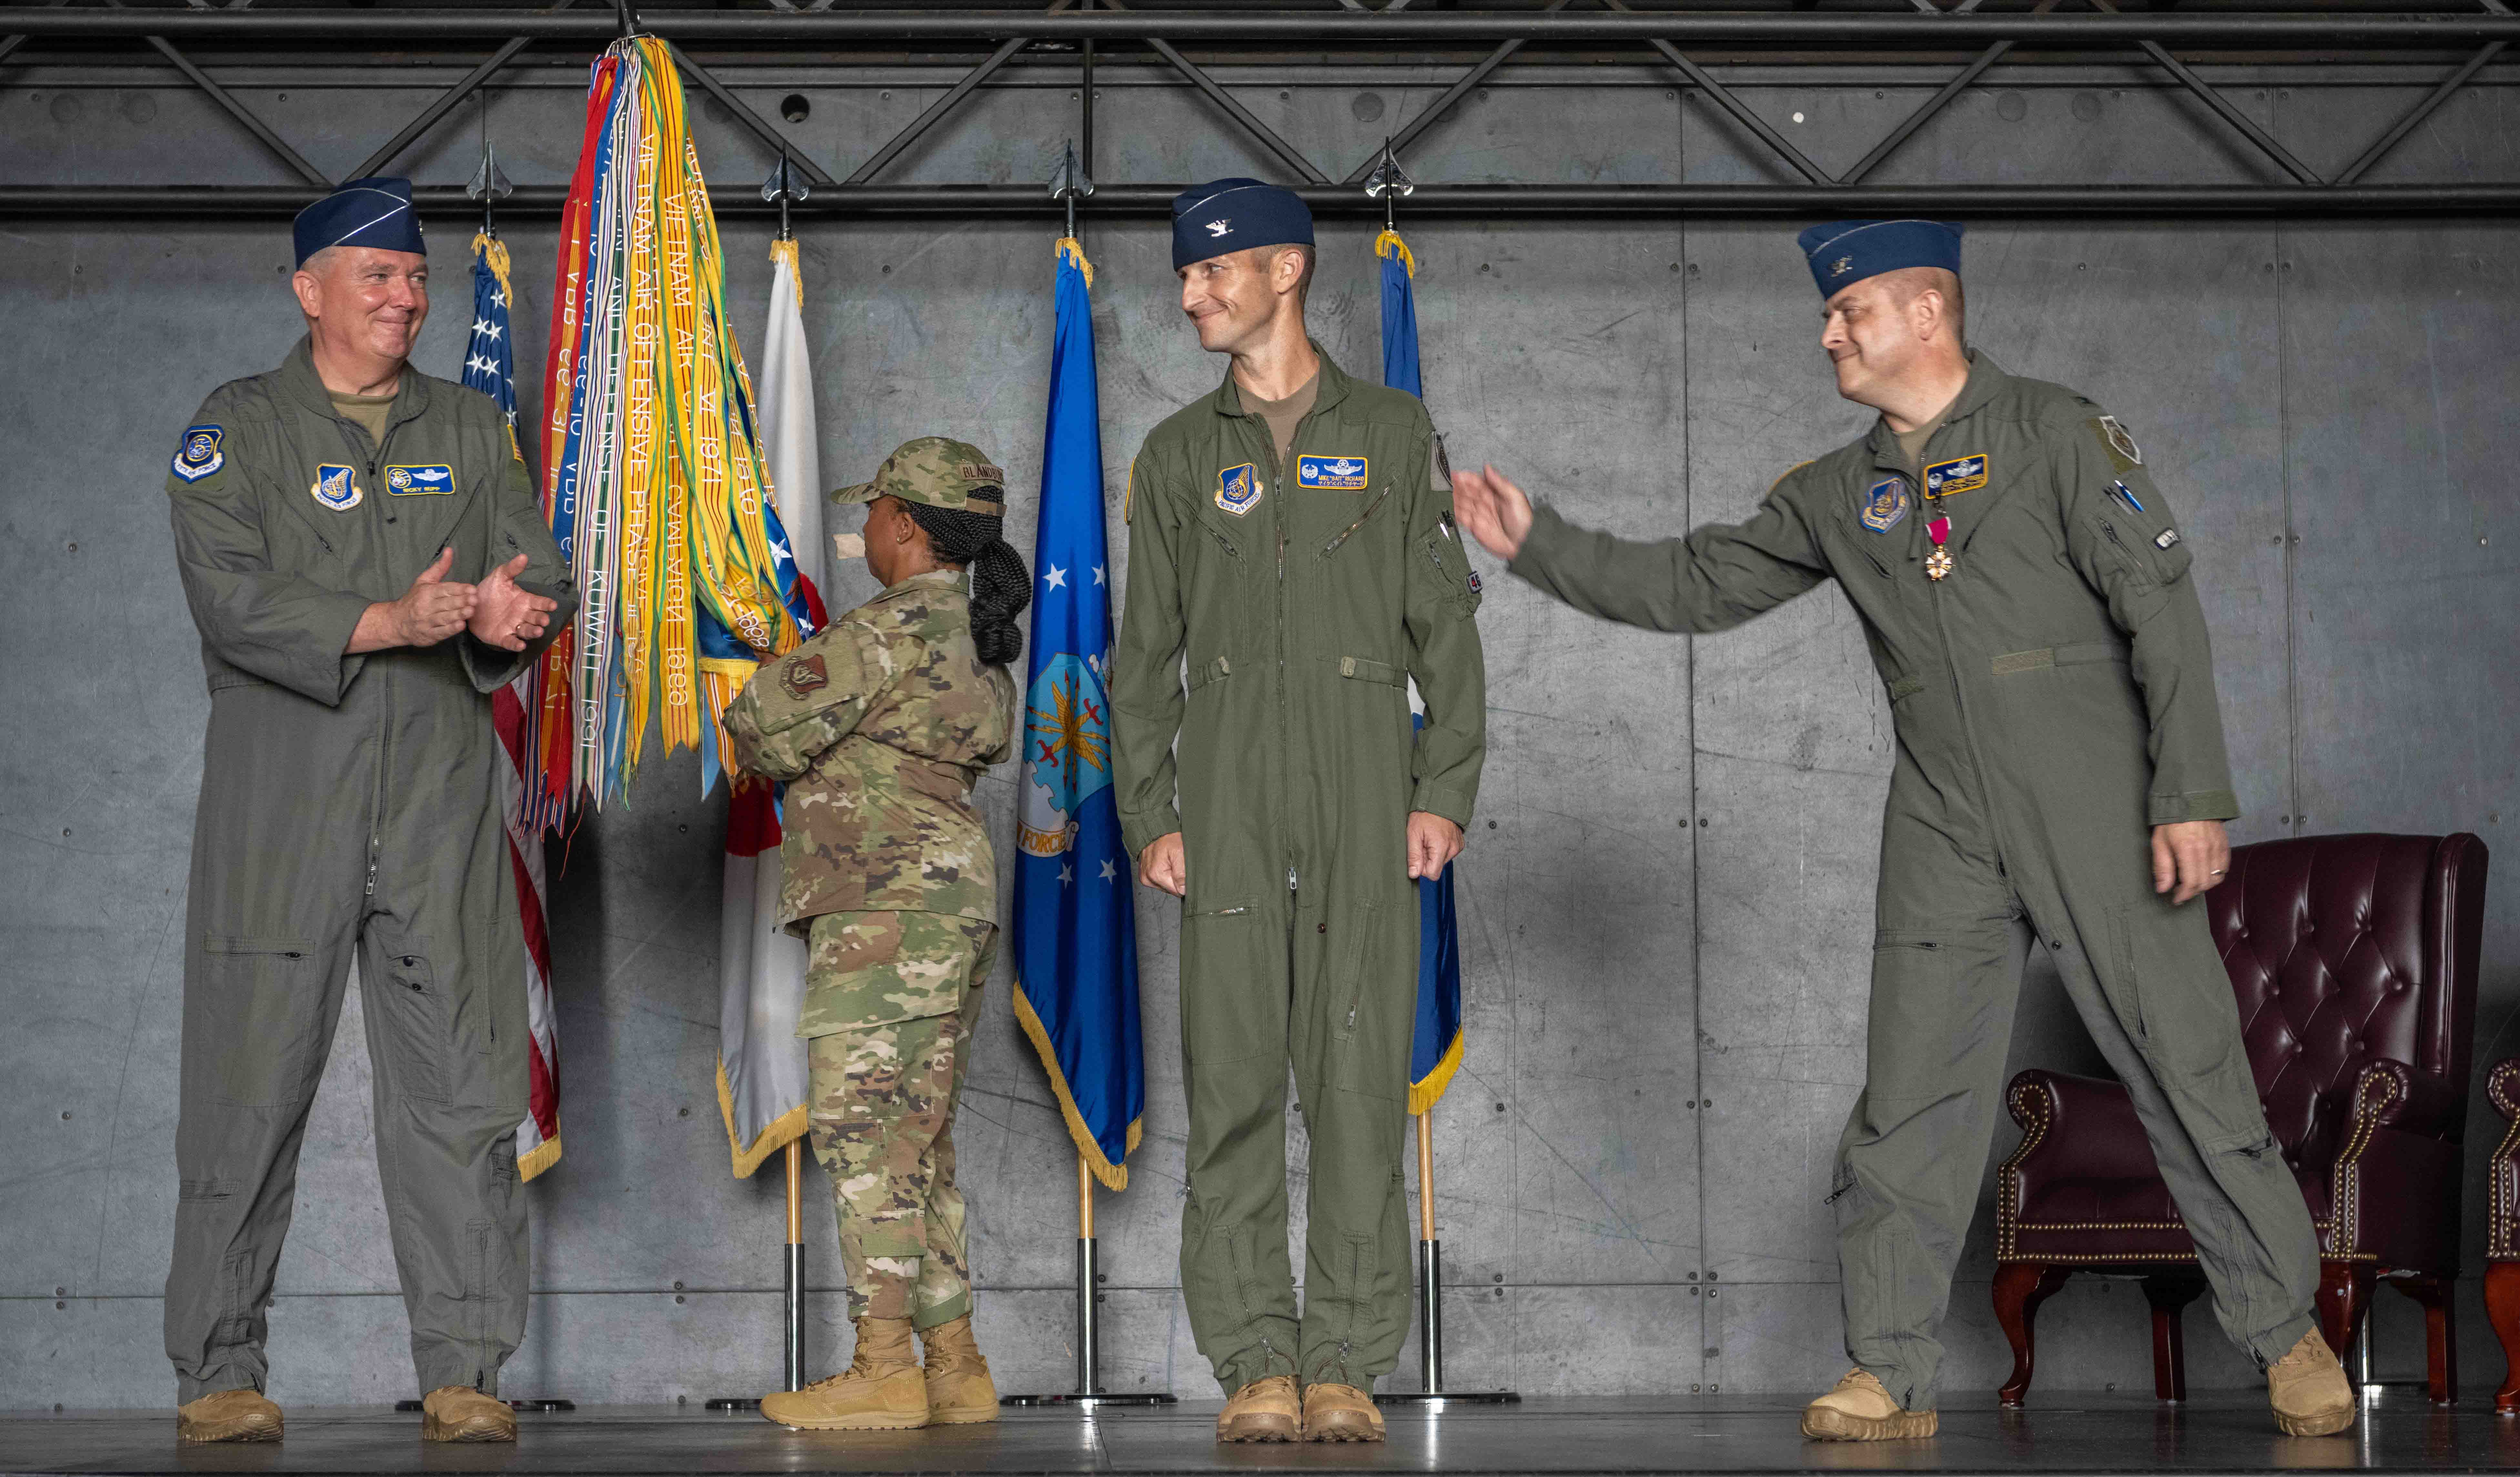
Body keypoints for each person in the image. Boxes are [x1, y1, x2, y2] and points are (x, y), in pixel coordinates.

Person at [1450, 219, 2353, 1440]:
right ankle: (1890, 1371)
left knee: (2184, 1062)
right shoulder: (1838, 494)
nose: (1828, 334)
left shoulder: (2056, 433)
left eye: (1850, 313)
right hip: (1941, 818)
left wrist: (2189, 790)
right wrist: (1539, 545)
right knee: (1911, 1096)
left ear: (1928, 313)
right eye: (1829, 316)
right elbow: (1700, 582)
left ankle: (2289, 1337)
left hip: (2098, 800)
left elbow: (2162, 601)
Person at [161, 177, 571, 1444]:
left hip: (438, 793)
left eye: (414, 275)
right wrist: (383, 621)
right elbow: (229, 599)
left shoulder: (467, 423)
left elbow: (533, 561)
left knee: (459, 1083)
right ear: (309, 290)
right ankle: (220, 1371)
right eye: (377, 275)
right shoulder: (239, 430)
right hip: (282, 795)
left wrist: (512, 611)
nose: (405, 296)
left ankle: (466, 1368)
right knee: (249, 1080)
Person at [1111, 179, 1488, 1444]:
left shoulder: (1389, 431)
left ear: (1282, 270)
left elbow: (1446, 623)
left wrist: (1441, 792)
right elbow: (1139, 652)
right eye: (1181, 277)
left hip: (1364, 774)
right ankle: (1253, 1359)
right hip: (1222, 787)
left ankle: (1343, 1358)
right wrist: (1149, 807)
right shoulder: (1174, 455)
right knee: (1227, 1080)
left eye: (1211, 273)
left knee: (1355, 1082)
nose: (1189, 295)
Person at [724, 437, 1029, 1432]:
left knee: (866, 1136)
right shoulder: (979, 635)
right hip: (951, 897)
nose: (866, 532)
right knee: (920, 1140)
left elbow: (760, 717)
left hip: (885, 905)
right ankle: (955, 1365)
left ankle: (885, 1365)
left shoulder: (892, 628)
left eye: (876, 516)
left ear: (905, 523)